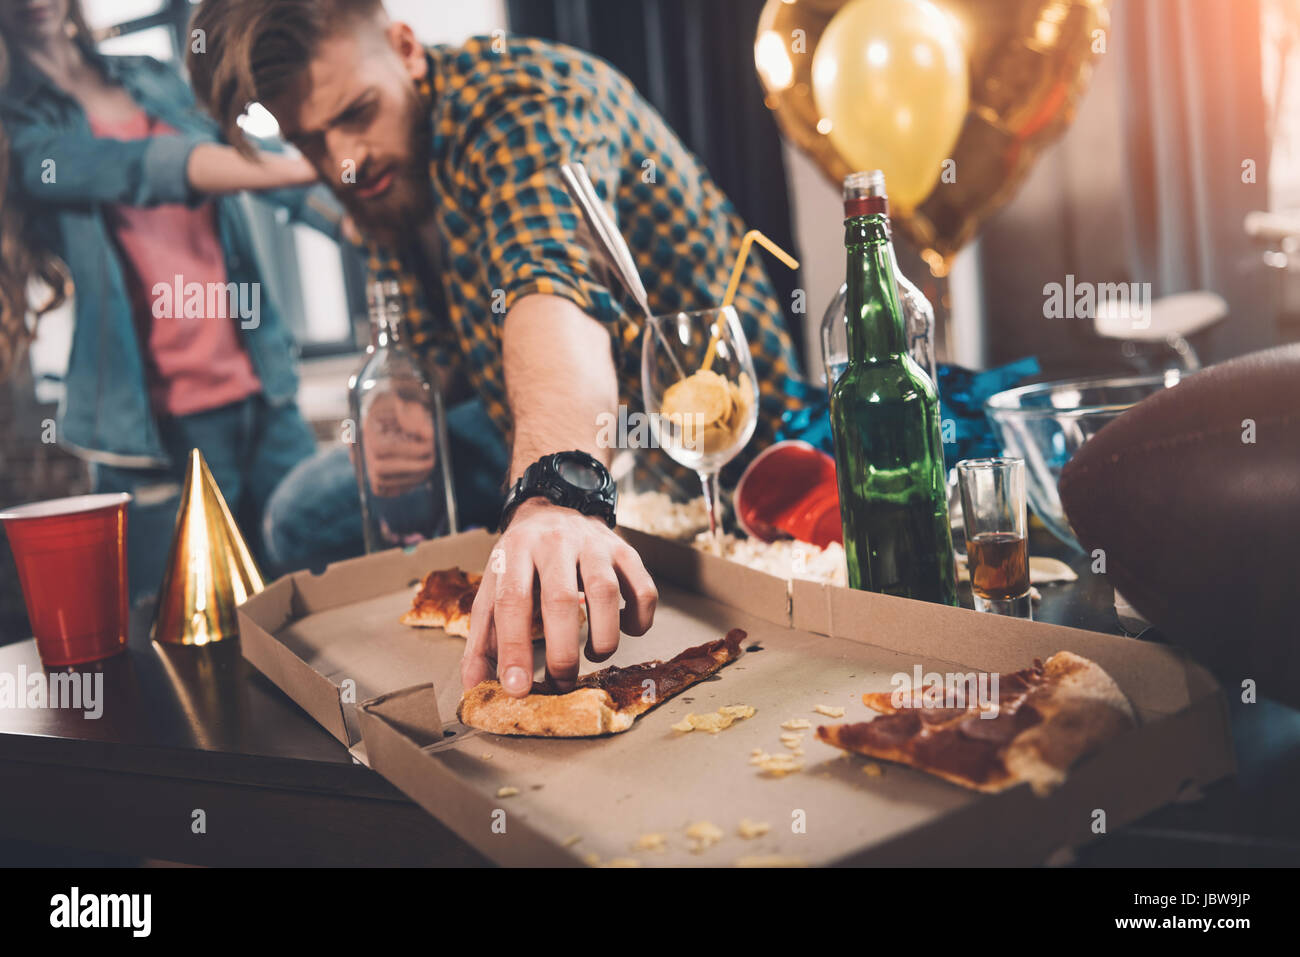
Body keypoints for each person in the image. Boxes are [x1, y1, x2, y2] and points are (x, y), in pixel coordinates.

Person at [187, 0, 806, 695]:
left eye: (357, 113)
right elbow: (441, 359)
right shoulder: (384, 177)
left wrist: (553, 493)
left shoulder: (521, 105)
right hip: (528, 414)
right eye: (310, 142)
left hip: (712, 449)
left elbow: (549, 288)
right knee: (304, 508)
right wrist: (401, 408)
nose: (345, 162)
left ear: (406, 48)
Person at [0, 0, 346, 600]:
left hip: (264, 391)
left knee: (311, 600)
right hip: (151, 427)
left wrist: (356, 218)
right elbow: (143, 168)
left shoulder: (148, 74)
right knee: (193, 627)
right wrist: (298, 168)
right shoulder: (19, 128)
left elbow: (244, 158)